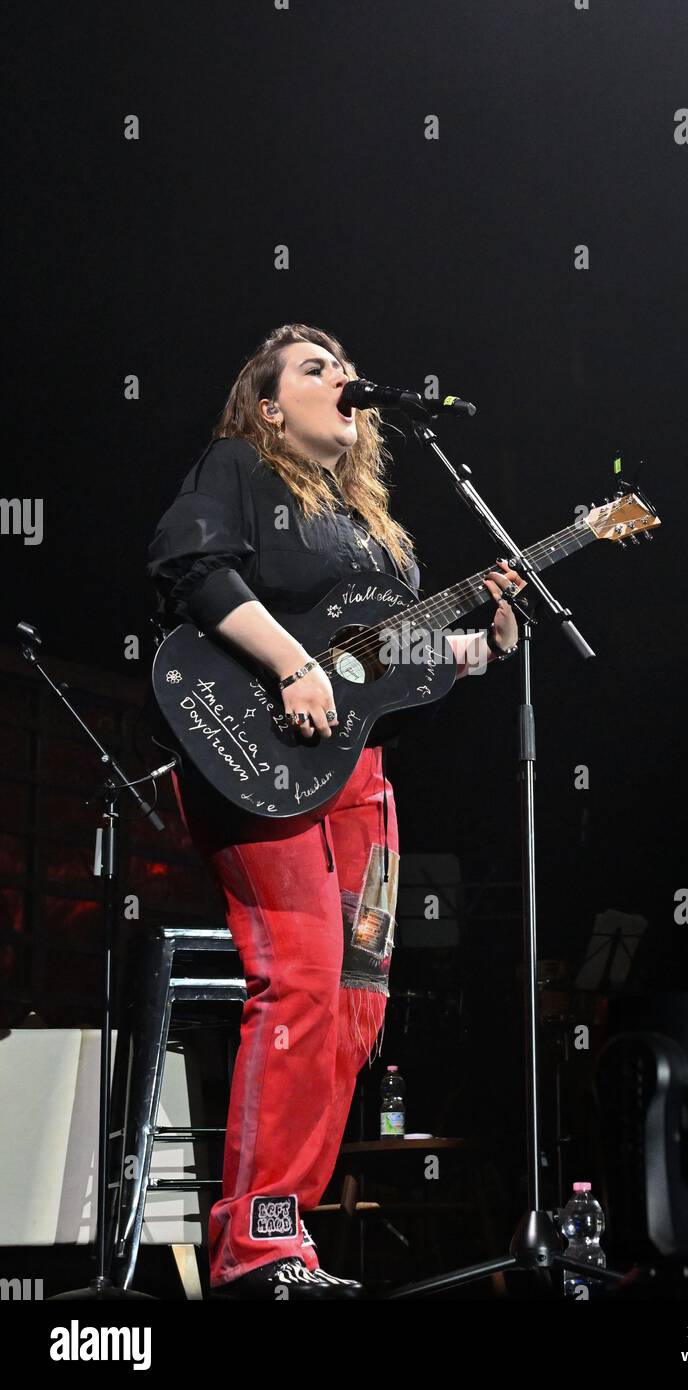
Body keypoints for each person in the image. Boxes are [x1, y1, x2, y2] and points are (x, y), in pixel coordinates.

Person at [146, 323, 526, 1299]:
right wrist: (290, 662)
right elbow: (189, 567)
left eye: (346, 367)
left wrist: (479, 647)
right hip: (256, 753)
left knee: (356, 1005)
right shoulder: (239, 468)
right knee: (303, 982)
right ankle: (253, 1247)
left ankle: (290, 1239)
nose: (341, 379)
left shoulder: (374, 534)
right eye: (314, 368)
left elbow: (390, 675)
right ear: (269, 406)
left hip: (359, 781)